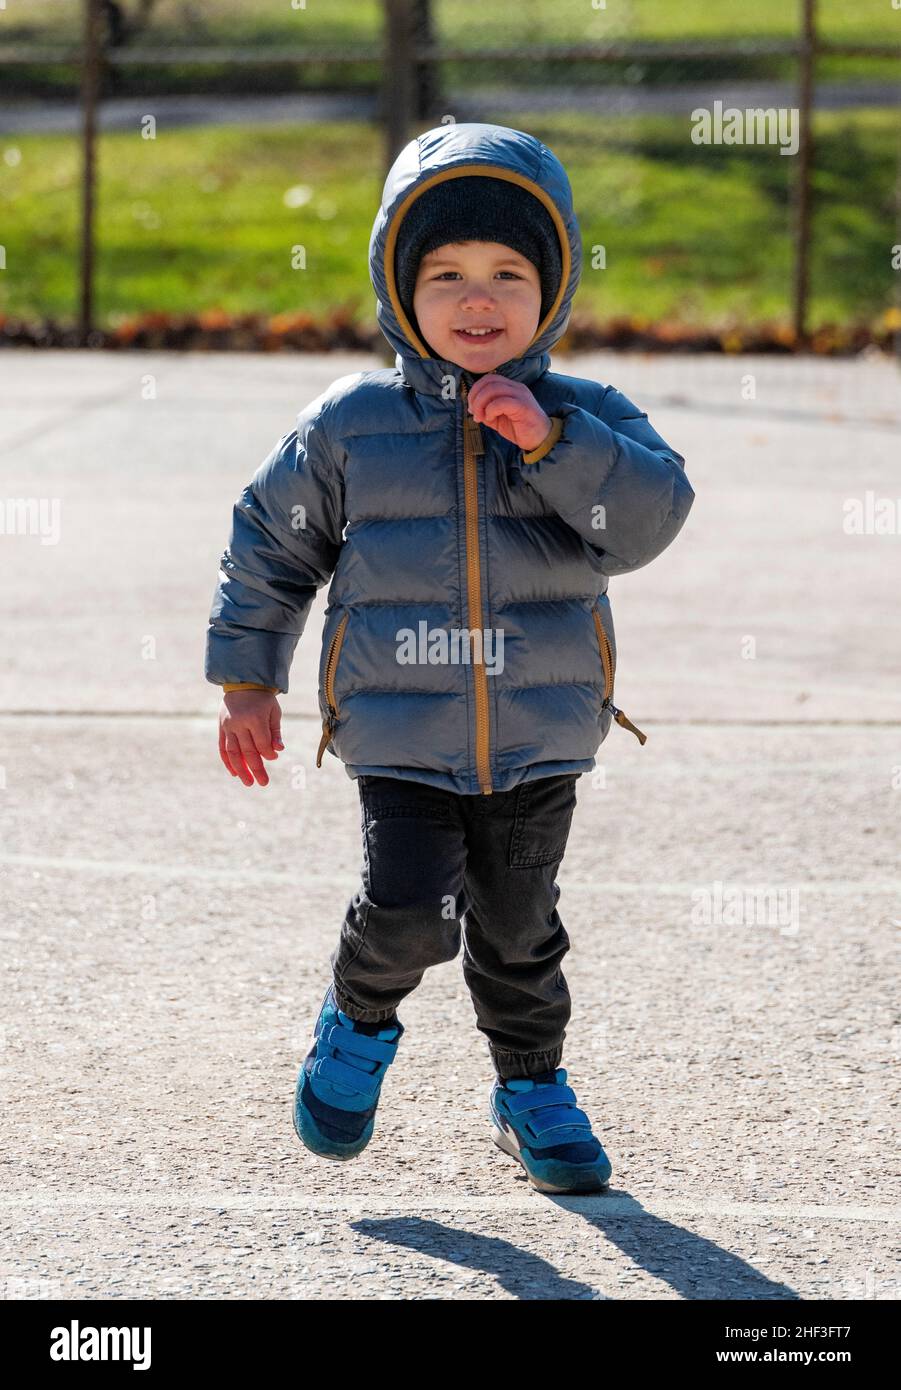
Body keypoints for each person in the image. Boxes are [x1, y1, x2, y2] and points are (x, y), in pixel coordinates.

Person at [204, 122, 694, 1194]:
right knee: (408, 914)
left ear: (551, 289)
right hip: (402, 735)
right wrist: (249, 679)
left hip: (540, 737)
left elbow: (649, 522)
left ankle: (531, 1089)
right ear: (399, 287)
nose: (479, 299)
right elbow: (269, 544)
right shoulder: (352, 424)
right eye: (449, 274)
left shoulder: (585, 415)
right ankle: (358, 1019)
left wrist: (551, 446)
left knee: (521, 931)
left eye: (508, 273)